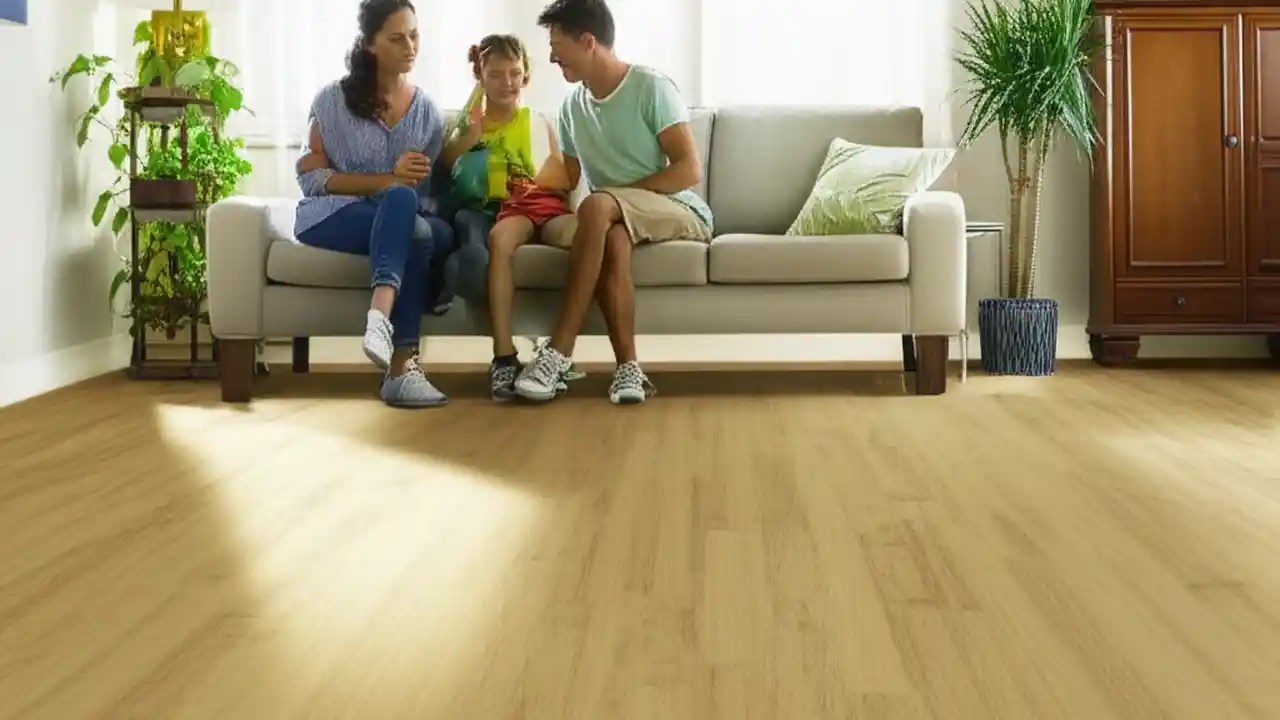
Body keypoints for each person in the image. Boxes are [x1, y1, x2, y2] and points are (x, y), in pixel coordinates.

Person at [513, 0, 713, 405]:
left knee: (599, 206)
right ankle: (628, 371)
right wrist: (517, 180)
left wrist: (620, 197)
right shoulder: (571, 107)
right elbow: (568, 176)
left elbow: (689, 170)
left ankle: (559, 350)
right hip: (614, 218)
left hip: (676, 208)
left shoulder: (650, 88)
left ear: (588, 42)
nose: (551, 56)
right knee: (614, 239)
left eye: (557, 45)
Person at [294, 0, 455, 408]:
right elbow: (312, 180)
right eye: (397, 38)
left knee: (416, 224)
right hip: (333, 214)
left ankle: (379, 324)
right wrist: (389, 180)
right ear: (369, 44)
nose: (410, 47)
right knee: (404, 208)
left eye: (414, 35)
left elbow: (430, 192)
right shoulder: (331, 102)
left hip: (406, 218)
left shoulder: (428, 113)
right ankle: (402, 365)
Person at [438, 35, 575, 401]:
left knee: (584, 236)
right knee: (499, 239)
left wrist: (535, 179)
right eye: (496, 75)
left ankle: (556, 353)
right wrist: (474, 134)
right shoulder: (471, 123)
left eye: (514, 73)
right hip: (508, 212)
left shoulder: (536, 120)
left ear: (526, 75)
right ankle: (503, 356)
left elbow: (561, 178)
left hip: (543, 204)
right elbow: (448, 164)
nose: (507, 82)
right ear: (480, 77)